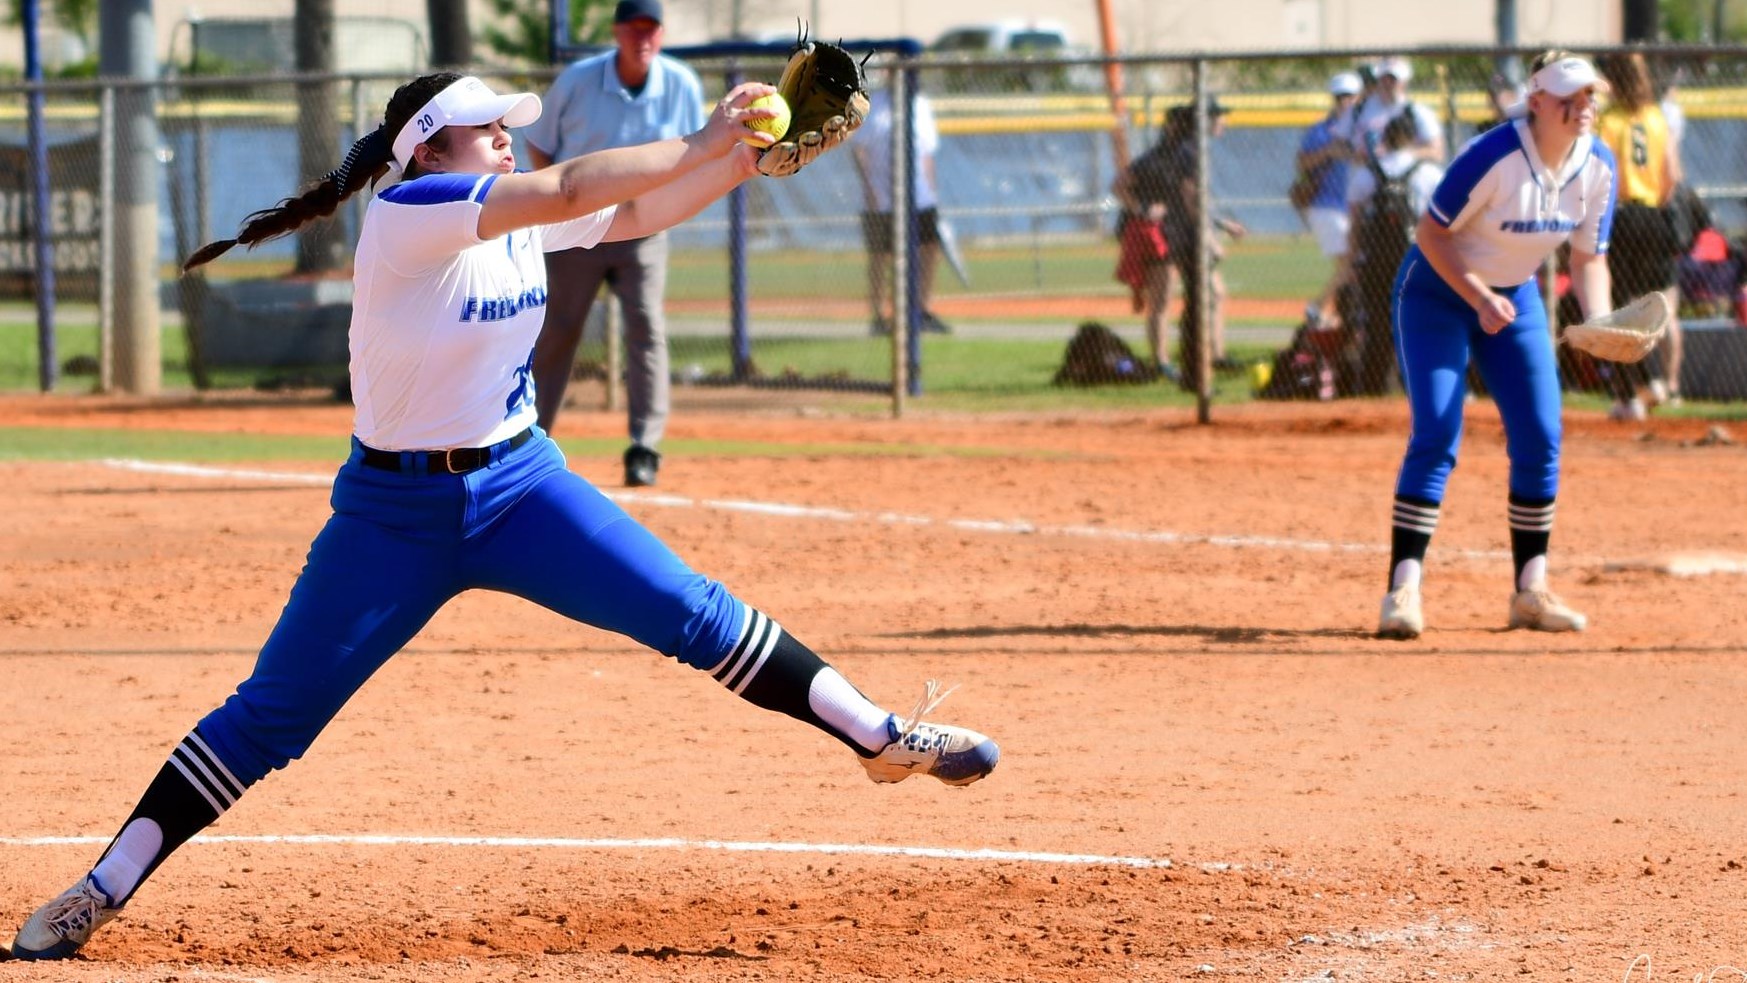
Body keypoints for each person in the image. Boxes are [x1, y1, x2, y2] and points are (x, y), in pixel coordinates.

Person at [7, 71, 998, 963]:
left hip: (523, 485)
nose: (505, 142)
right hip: (391, 516)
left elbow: (630, 211)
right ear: (430, 151)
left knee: (691, 609)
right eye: (486, 131)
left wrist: (739, 162)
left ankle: (876, 735)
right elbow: (573, 188)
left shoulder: (506, 212)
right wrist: (702, 138)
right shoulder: (411, 214)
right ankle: (98, 889)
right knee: (269, 718)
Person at [1376, 51, 1617, 640]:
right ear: (1536, 102)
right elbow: (1430, 233)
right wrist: (1479, 296)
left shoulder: (1597, 166)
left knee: (1541, 432)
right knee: (1437, 430)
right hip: (1436, 291)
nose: (1581, 106)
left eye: (1589, 96)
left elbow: (1589, 259)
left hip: (1514, 298)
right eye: (1568, 96)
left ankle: (1530, 592)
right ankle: (1402, 590)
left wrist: (1603, 322)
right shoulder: (1495, 155)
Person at [524, 0, 706, 488]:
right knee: (558, 329)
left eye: (651, 29)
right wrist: (554, 205)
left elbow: (695, 152)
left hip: (643, 229)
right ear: (617, 32)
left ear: (662, 35)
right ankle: (529, 443)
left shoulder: (681, 84)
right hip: (575, 230)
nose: (642, 38)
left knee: (646, 328)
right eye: (633, 28)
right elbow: (540, 141)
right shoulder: (579, 81)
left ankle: (644, 446)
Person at [1111, 99, 1244, 390]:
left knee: (1214, 292)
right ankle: (1162, 361)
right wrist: (1142, 209)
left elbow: (1192, 201)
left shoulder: (1187, 153)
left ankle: (1214, 354)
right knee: (1162, 299)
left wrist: (1220, 225)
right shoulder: (1163, 156)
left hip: (1182, 233)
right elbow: (1120, 185)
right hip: (1164, 235)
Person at [1593, 52, 1685, 421]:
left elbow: (1603, 170)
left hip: (1622, 215)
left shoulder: (1609, 117)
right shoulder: (1656, 117)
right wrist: (1658, 206)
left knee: (1618, 307)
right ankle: (1658, 380)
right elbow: (1672, 176)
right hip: (1655, 216)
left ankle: (1630, 394)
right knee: (1650, 303)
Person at [1341, 112, 1445, 395]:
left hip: (1375, 261)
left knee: (1376, 323)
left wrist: (1353, 261)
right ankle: (1420, 388)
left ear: (1386, 138)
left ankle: (1372, 388)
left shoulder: (1369, 172)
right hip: (1416, 260)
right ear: (1413, 138)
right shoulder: (1428, 172)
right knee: (1418, 323)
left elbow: (1355, 222)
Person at [854, 82, 951, 335]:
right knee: (881, 254)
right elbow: (860, 149)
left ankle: (921, 309)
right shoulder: (875, 104)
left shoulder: (920, 105)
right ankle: (879, 316)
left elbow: (927, 152)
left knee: (928, 246)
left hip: (919, 195)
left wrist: (932, 191)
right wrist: (870, 189)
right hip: (883, 195)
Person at [1298, 71, 1364, 329]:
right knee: (1349, 262)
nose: (1345, 101)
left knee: (1355, 264)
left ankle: (1337, 315)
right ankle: (1318, 308)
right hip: (1328, 205)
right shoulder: (1321, 130)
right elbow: (1302, 163)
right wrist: (1328, 151)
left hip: (1356, 207)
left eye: (1350, 96)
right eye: (1340, 96)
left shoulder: (1364, 127)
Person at [1339, 56, 1446, 165]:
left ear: (1404, 82)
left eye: (1393, 79)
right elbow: (1336, 145)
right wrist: (1354, 154)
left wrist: (1399, 154)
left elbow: (1437, 152)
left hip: (1407, 174)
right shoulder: (1359, 110)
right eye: (1383, 78)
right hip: (1368, 171)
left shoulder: (1417, 112)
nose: (1387, 83)